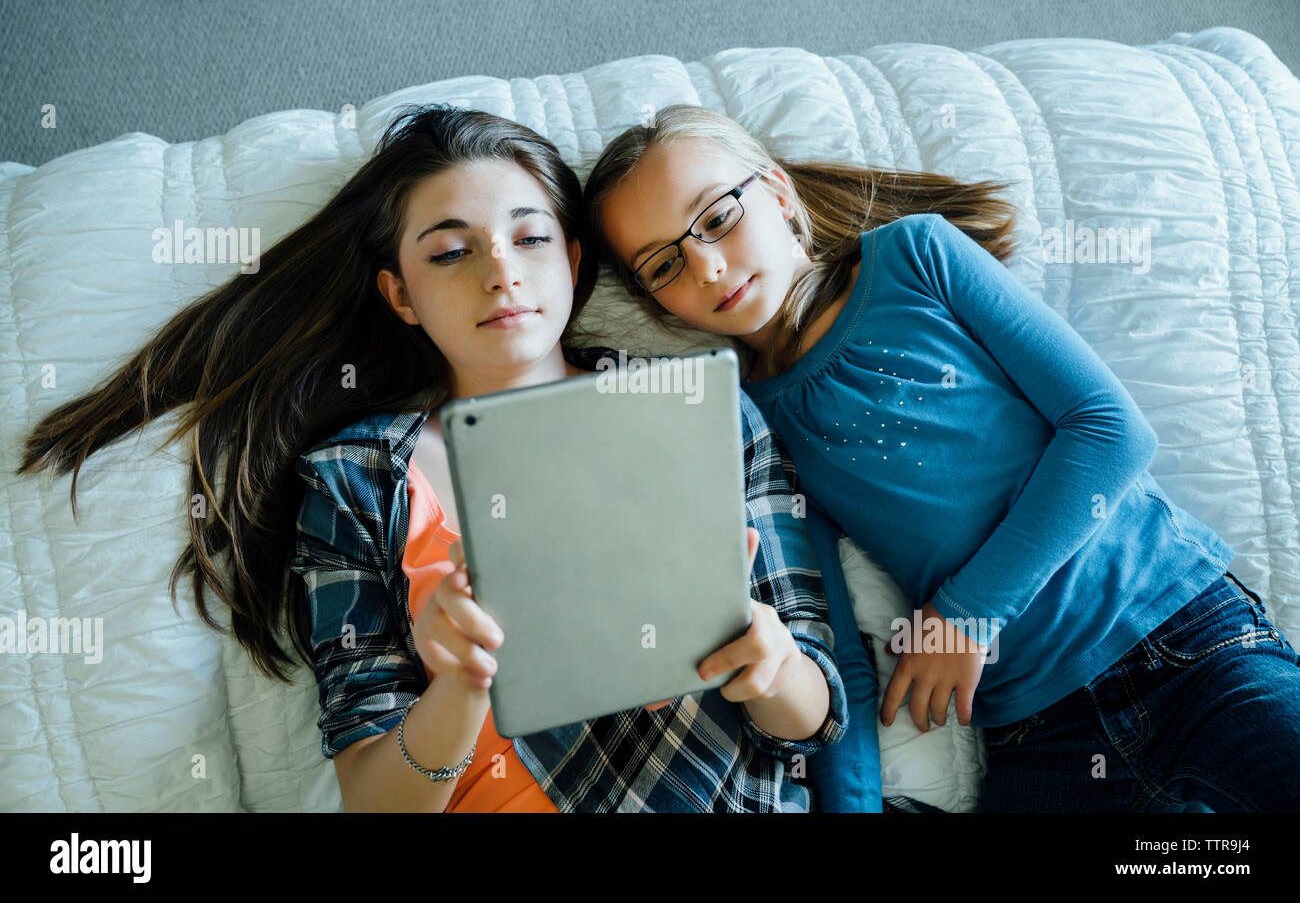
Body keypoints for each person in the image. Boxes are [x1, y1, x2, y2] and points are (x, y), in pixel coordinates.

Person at [18, 103, 848, 812]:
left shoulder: (698, 408)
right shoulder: (353, 480)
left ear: (573, 261)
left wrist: (769, 659)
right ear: (401, 294)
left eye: (529, 238)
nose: (500, 274)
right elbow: (378, 799)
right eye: (451, 252)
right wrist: (458, 686)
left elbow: (815, 716)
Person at [581, 103, 1300, 812]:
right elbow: (836, 656)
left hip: (1184, 638)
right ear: (656, 303)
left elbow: (1109, 432)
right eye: (665, 263)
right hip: (1042, 733)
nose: (705, 265)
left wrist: (964, 615)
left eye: (717, 217)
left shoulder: (915, 256)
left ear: (775, 194)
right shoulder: (754, 423)